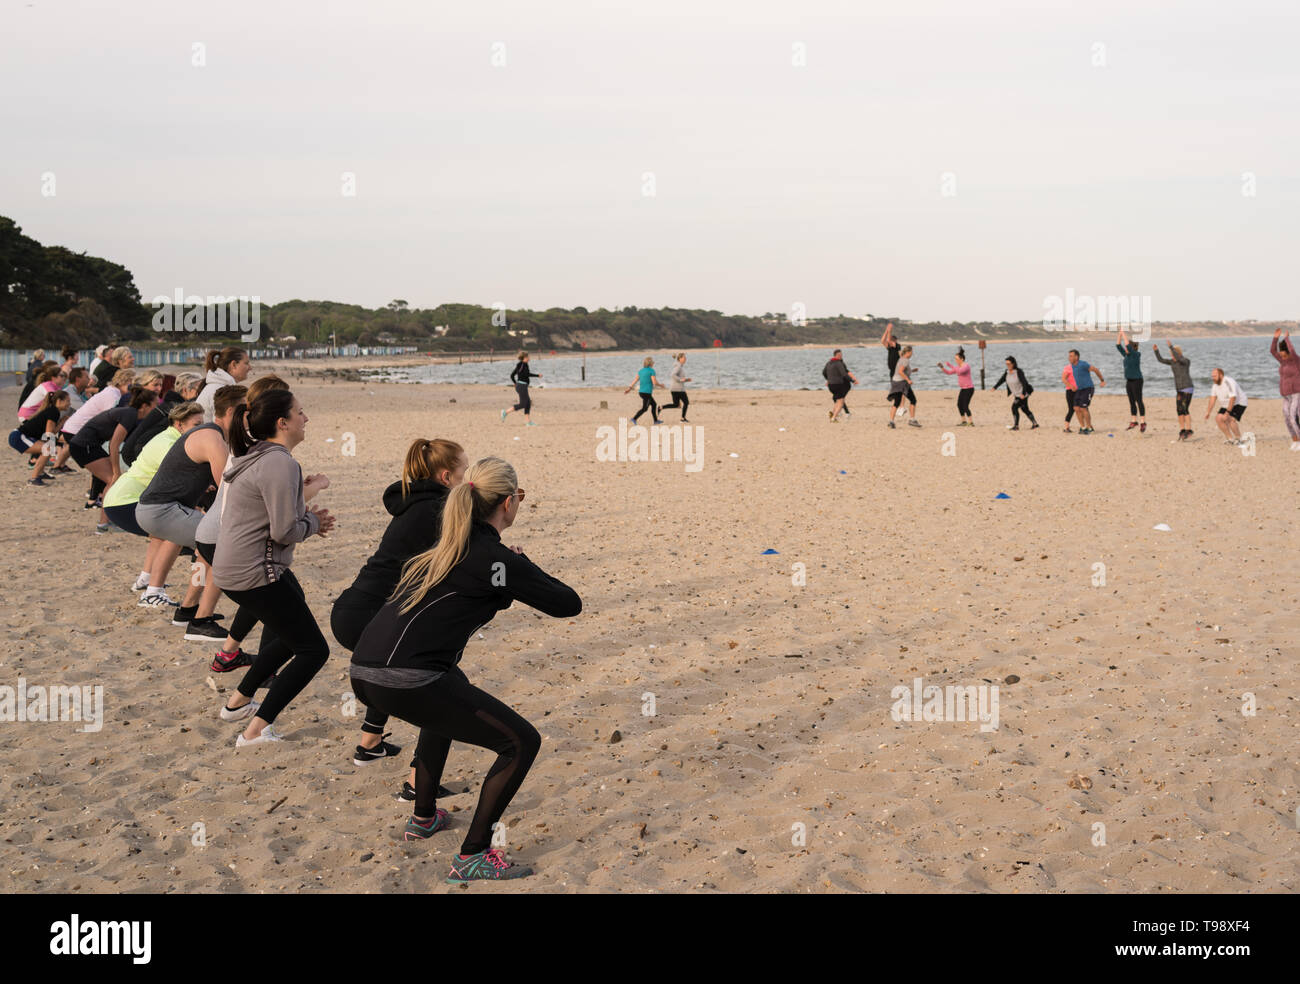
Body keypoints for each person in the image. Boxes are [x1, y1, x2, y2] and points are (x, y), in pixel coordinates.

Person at [350, 456, 581, 881]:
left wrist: (508, 574)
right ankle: (473, 854)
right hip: (407, 678)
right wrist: (520, 566)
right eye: (521, 498)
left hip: (364, 672)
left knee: (448, 692)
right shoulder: (494, 558)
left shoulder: (444, 548)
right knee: (521, 742)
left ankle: (423, 818)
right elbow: (569, 604)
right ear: (509, 503)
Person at [332, 438, 467, 796]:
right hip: (368, 616)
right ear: (445, 476)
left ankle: (370, 743)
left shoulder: (416, 504)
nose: (467, 480)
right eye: (463, 472)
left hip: (353, 610)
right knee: (445, 685)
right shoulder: (437, 509)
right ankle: (417, 785)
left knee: (394, 667)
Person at [211, 389, 335, 747]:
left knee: (291, 628)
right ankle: (254, 732)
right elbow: (284, 531)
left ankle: (237, 704)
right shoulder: (279, 462)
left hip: (234, 568)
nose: (306, 418)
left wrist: (304, 506)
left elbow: (273, 515)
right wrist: (313, 523)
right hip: (253, 572)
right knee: (314, 650)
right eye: (301, 412)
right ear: (283, 423)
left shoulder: (258, 454)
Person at [194, 375, 292, 673]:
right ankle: (261, 675)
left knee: (267, 599)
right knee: (281, 604)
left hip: (216, 533)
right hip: (223, 536)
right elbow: (274, 512)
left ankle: (228, 654)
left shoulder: (249, 439)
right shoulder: (261, 445)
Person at [137, 386, 249, 636]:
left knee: (206, 552)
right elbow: (227, 487)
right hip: (160, 510)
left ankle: (188, 610)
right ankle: (201, 620)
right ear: (232, 411)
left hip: (160, 508)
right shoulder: (212, 437)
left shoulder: (217, 435)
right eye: (247, 411)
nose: (250, 417)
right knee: (224, 545)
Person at [103, 402, 207, 606]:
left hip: (121, 499)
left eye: (203, 424)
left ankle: (146, 581)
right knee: (174, 531)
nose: (201, 429)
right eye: (196, 424)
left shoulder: (170, 438)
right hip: (126, 500)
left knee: (161, 535)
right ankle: (153, 592)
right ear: (179, 424)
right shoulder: (169, 444)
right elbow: (181, 476)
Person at [69, 387, 158, 533]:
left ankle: (106, 522)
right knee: (113, 480)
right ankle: (104, 524)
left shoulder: (131, 414)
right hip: (83, 446)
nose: (156, 409)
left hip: (89, 445)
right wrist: (116, 471)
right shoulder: (130, 415)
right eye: (154, 406)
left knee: (113, 480)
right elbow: (114, 444)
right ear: (144, 406)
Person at [53, 368, 136, 492]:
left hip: (76, 429)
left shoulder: (111, 392)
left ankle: (94, 494)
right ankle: (95, 495)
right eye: (132, 384)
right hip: (78, 431)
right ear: (125, 381)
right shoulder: (113, 395)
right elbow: (112, 418)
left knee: (101, 463)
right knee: (102, 465)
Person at [122, 372, 202, 467]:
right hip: (137, 456)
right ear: (185, 390)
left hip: (134, 453)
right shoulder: (174, 411)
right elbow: (144, 440)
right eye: (199, 390)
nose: (201, 394)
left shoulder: (169, 406)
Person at [9, 389, 70, 486]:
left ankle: (40, 473)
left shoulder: (52, 410)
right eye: (67, 401)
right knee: (48, 449)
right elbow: (49, 433)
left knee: (49, 448)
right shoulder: (54, 411)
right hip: (19, 437)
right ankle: (34, 478)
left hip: (20, 435)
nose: (69, 404)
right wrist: (62, 423)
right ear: (59, 401)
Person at [196, 347, 251, 423]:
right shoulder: (219, 390)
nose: (250, 368)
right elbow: (222, 425)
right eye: (246, 363)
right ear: (234, 365)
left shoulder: (217, 386)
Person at [1153, 341, 1194, 441]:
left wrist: (1171, 347)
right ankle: (1182, 430)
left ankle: (1189, 430)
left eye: (1172, 353)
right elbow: (1161, 360)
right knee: (1179, 410)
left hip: (1187, 388)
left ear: (1178, 353)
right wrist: (1156, 351)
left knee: (1185, 409)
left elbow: (1180, 358)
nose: (1171, 355)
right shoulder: (1172, 362)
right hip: (1179, 389)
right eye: (1171, 354)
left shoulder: (1185, 361)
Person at [1270, 329, 1300, 451]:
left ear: (1288, 353)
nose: (1281, 356)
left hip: (1296, 394)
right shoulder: (1282, 362)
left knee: (1294, 417)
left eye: (1284, 354)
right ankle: (1295, 440)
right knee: (1287, 418)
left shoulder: (1296, 361)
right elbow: (1272, 351)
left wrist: (1287, 339)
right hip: (1286, 395)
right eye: (1281, 355)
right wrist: (1275, 338)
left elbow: (1292, 351)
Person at [992, 356, 1038, 430]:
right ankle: (1035, 424)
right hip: (1016, 394)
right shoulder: (1007, 372)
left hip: (1023, 394)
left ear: (1013, 363)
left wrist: (1023, 393)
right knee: (1025, 409)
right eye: (1006, 364)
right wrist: (995, 387)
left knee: (1014, 407)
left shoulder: (1019, 372)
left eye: (1009, 364)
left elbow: (1024, 383)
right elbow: (1002, 380)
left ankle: (1016, 426)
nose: (1008, 366)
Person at [1204, 368, 1248, 445]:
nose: (1213, 378)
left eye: (1215, 376)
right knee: (1218, 418)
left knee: (1230, 419)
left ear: (1221, 375)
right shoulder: (1215, 385)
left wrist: (1227, 413)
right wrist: (1208, 412)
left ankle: (1239, 439)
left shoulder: (1228, 382)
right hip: (1226, 404)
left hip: (1239, 402)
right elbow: (1212, 399)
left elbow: (1233, 398)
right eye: (1212, 376)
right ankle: (1230, 439)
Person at [1066, 350, 1105, 434]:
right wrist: (1071, 385)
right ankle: (1083, 427)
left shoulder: (1083, 364)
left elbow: (1095, 369)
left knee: (1083, 408)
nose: (1069, 358)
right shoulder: (1072, 365)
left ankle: (1089, 427)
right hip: (1079, 389)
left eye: (1071, 356)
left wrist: (1102, 380)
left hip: (1088, 388)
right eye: (1069, 356)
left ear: (1076, 357)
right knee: (1076, 408)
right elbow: (1065, 378)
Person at [1115, 329, 1146, 432]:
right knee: (1131, 401)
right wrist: (1119, 334)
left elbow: (1127, 345)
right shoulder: (1126, 355)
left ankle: (1142, 422)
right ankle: (1134, 421)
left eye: (1127, 348)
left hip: (1137, 380)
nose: (1125, 349)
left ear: (1132, 348)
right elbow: (1118, 346)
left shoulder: (1136, 355)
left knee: (1139, 401)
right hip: (1129, 381)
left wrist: (1124, 333)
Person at [501, 352, 539, 426]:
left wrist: (515, 383)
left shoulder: (520, 364)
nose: (529, 358)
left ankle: (528, 422)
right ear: (525, 357)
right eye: (528, 357)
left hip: (521, 385)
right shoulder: (523, 365)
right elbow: (527, 374)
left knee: (528, 403)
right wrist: (537, 375)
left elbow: (512, 375)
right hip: (521, 386)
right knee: (523, 404)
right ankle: (505, 412)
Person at [939, 348, 975, 425]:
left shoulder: (966, 366)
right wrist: (942, 367)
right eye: (955, 359)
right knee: (959, 405)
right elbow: (949, 372)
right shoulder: (958, 367)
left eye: (957, 359)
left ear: (962, 359)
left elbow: (959, 371)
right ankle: (964, 421)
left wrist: (950, 365)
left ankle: (971, 422)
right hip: (963, 389)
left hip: (969, 389)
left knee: (965, 406)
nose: (956, 360)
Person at [624, 357, 665, 424]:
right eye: (652, 362)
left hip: (641, 392)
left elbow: (635, 380)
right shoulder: (652, 371)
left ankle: (655, 421)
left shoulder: (640, 371)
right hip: (647, 393)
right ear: (650, 363)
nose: (653, 363)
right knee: (645, 408)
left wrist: (629, 388)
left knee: (654, 404)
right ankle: (634, 418)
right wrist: (661, 385)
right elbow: (654, 382)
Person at [887, 345, 919, 427]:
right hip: (902, 383)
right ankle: (912, 420)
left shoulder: (901, 359)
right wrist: (908, 380)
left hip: (895, 382)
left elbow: (900, 371)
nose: (912, 354)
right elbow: (901, 372)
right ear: (908, 352)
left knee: (897, 402)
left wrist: (912, 370)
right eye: (911, 352)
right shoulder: (906, 360)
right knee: (913, 400)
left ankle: (891, 421)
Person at [822, 349, 856, 422]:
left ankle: (834, 413)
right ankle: (834, 417)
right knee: (841, 401)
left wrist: (828, 379)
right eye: (839, 355)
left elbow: (824, 373)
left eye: (841, 355)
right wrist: (852, 380)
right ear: (836, 355)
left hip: (831, 385)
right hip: (837, 384)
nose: (841, 356)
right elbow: (844, 374)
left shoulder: (829, 363)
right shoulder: (838, 363)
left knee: (838, 400)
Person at [661, 353, 692, 422]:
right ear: (680, 359)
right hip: (679, 389)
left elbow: (677, 377)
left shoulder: (678, 366)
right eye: (684, 358)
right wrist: (681, 379)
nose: (685, 359)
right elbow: (673, 375)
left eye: (685, 358)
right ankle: (682, 418)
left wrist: (686, 380)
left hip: (674, 388)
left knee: (676, 405)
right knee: (686, 403)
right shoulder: (678, 367)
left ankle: (661, 407)